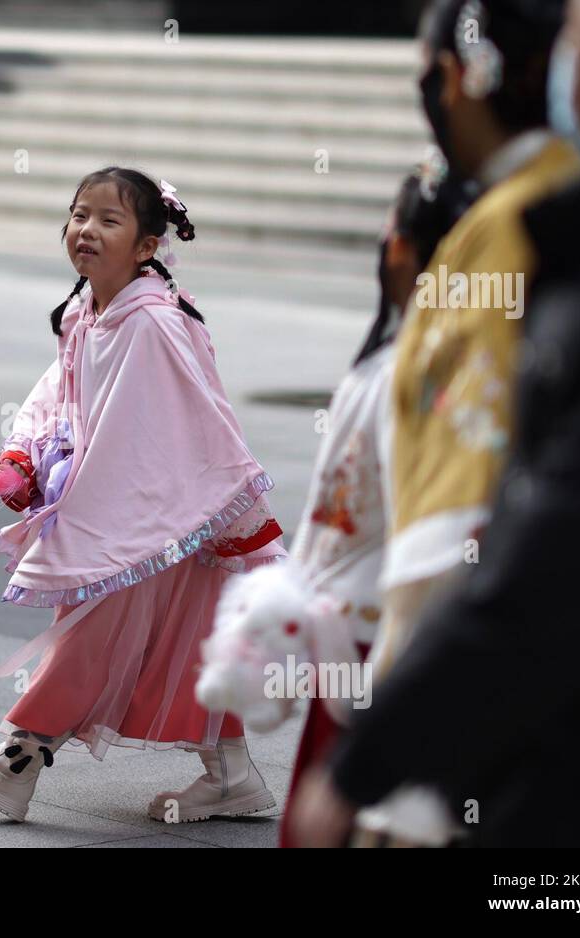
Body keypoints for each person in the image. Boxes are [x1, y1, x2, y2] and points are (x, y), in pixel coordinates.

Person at [292, 0, 580, 848]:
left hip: (559, 725)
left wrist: (393, 748)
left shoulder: (518, 226)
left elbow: (512, 515)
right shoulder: (566, 209)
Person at [0, 167, 287, 824]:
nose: (86, 229)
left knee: (94, 635)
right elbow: (56, 394)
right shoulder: (88, 312)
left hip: (160, 516)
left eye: (108, 220)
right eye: (79, 214)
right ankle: (232, 775)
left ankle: (16, 763)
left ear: (148, 245)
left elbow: (165, 433)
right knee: (188, 644)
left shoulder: (151, 324)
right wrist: (23, 454)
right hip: (153, 517)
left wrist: (83, 499)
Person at [197, 158, 469, 847]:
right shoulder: (521, 371)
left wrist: (266, 643)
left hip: (377, 655)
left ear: (402, 250)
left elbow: (335, 533)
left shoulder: (391, 376)